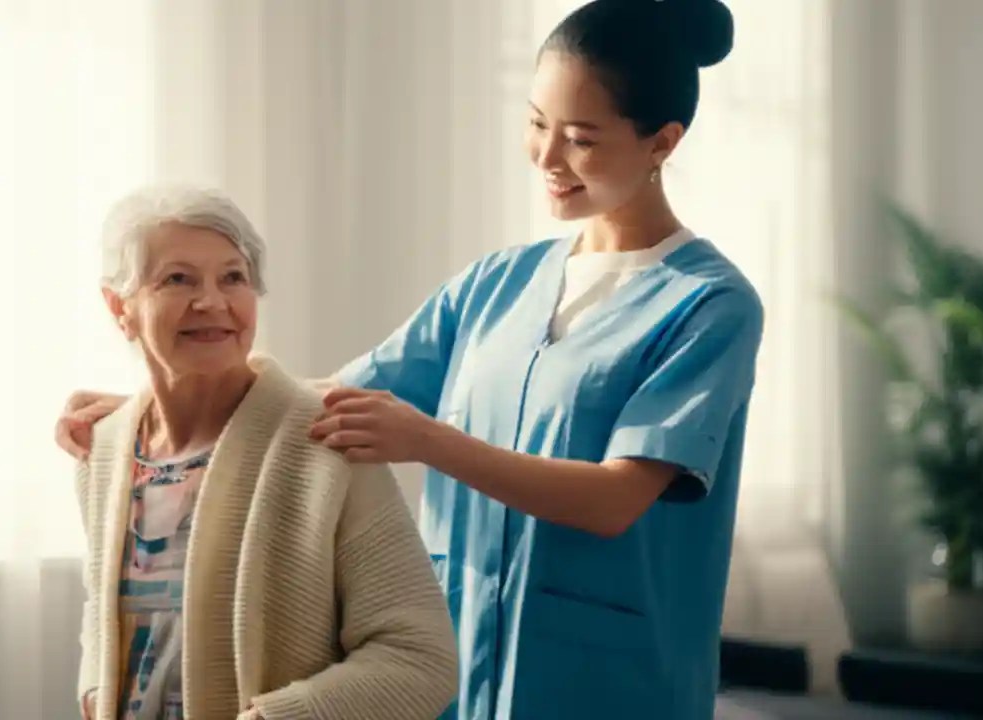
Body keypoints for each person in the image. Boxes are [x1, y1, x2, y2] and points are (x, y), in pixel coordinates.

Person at [60, 1, 761, 718]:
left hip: (607, 681)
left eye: (580, 139)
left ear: (661, 142)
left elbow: (615, 499)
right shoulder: (497, 284)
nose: (547, 158)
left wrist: (429, 442)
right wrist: (161, 404)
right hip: (460, 666)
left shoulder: (709, 305)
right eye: (536, 124)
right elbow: (323, 403)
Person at [72, 184, 457, 720]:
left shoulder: (328, 442)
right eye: (178, 279)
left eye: (233, 277)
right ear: (120, 308)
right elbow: (105, 611)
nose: (213, 302)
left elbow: (419, 659)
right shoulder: (104, 451)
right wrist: (96, 692)